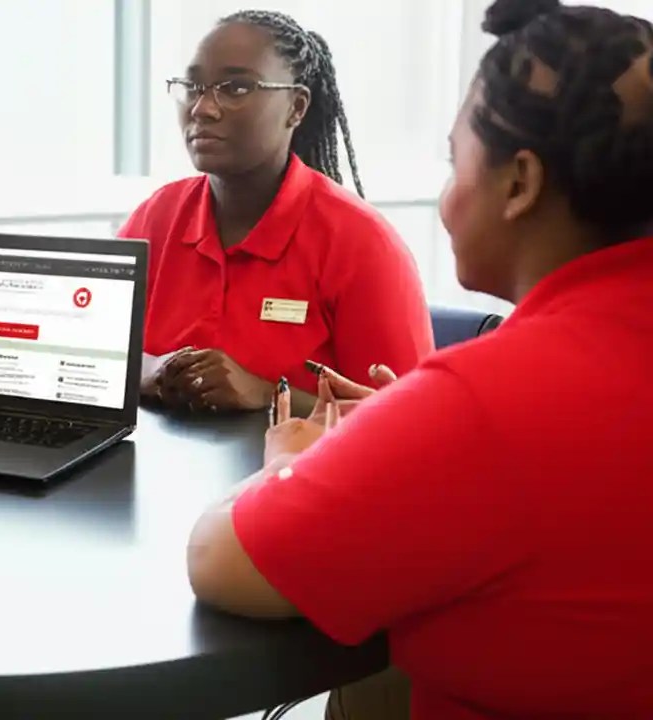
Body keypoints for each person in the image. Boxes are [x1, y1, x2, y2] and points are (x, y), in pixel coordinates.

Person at [186, 1, 653, 718]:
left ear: (519, 184)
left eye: (452, 161)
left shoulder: (485, 400)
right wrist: (402, 436)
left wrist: (293, 459)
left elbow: (221, 562)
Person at [122, 10, 433, 417]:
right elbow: (90, 355)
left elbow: (411, 419)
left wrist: (270, 395)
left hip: (300, 475)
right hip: (156, 473)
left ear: (296, 108)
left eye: (234, 88)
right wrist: (155, 371)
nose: (202, 108)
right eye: (192, 86)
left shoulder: (362, 244)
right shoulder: (156, 217)